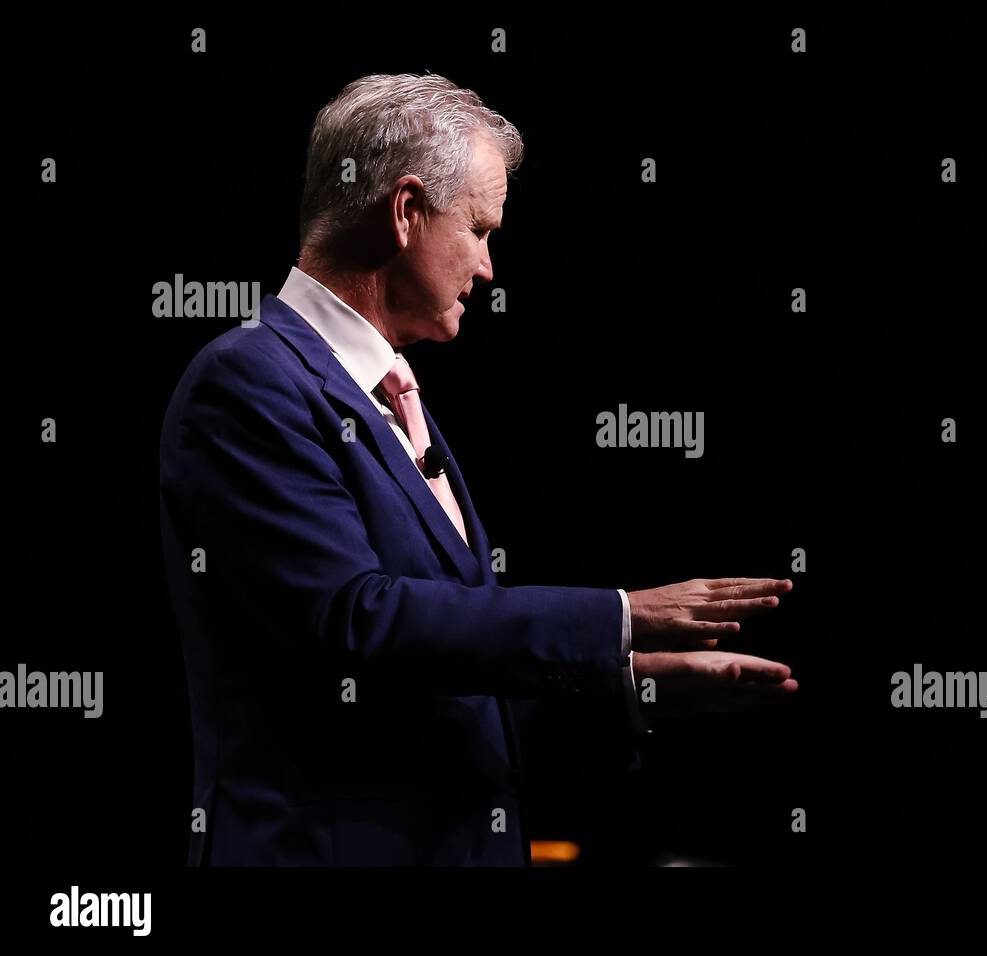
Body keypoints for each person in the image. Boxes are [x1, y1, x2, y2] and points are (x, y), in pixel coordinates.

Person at [159, 73, 797, 866]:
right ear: (405, 211)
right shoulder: (248, 381)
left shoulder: (391, 394)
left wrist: (633, 682)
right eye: (481, 229)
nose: (489, 268)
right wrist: (619, 616)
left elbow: (447, 680)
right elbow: (358, 623)